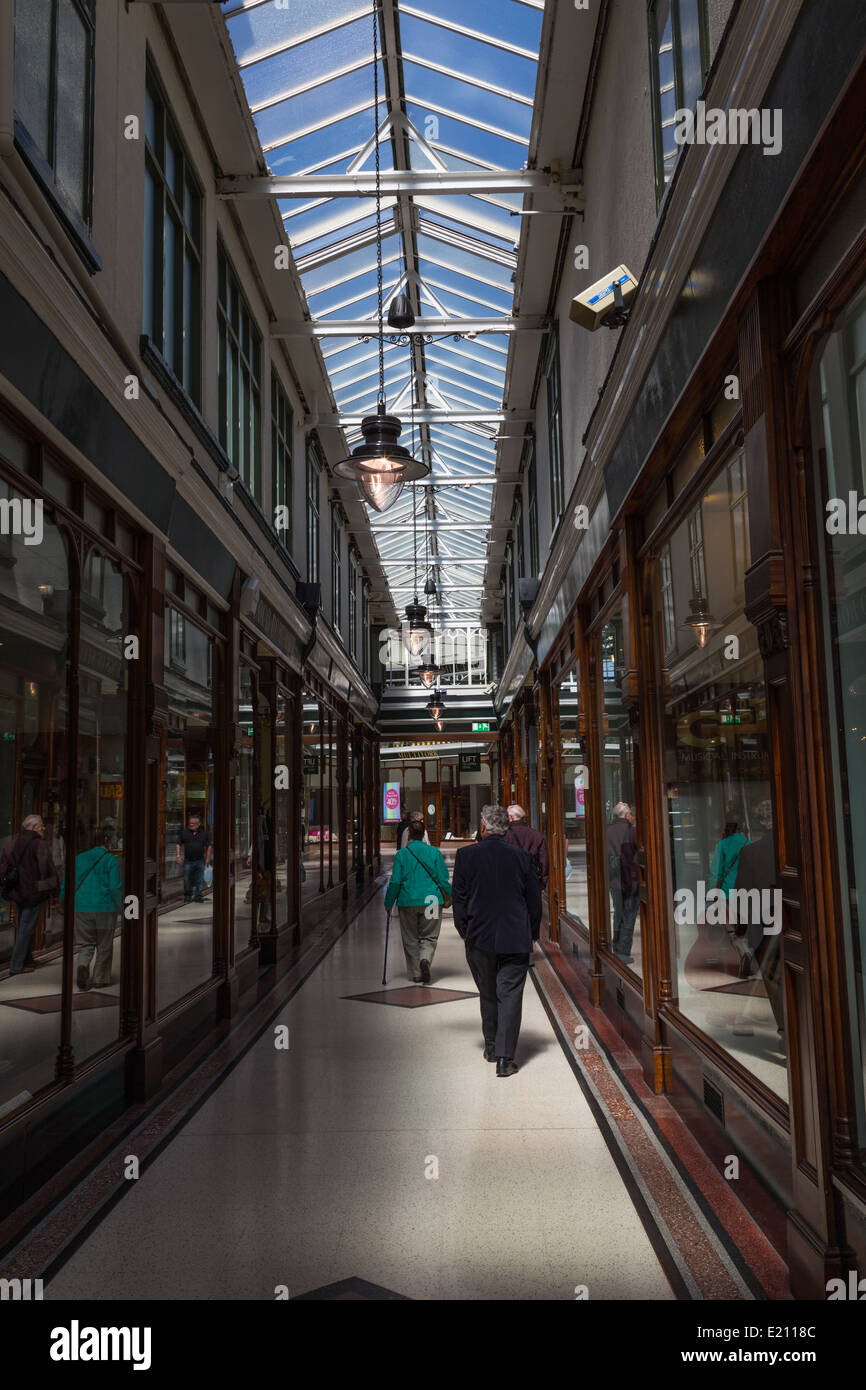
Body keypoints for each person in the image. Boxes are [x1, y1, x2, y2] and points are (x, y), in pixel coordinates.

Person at [452, 804, 542, 1077]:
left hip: (479, 936)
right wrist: (532, 934)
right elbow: (534, 902)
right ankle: (505, 1058)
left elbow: (459, 899)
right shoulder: (522, 858)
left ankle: (491, 1046)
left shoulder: (466, 856)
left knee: (488, 992)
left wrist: (464, 930)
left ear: (483, 828)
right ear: (507, 828)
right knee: (510, 995)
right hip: (515, 937)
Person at [732, 800, 785, 1039]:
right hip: (794, 924)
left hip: (764, 927)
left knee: (774, 980)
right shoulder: (794, 847)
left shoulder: (751, 852)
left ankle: (786, 1031)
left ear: (760, 822)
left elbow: (742, 895)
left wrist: (741, 929)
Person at [384, 820, 451, 983]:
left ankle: (415, 973)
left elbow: (395, 882)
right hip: (432, 900)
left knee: (411, 937)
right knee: (429, 936)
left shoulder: (402, 854)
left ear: (409, 835)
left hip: (408, 900)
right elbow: (443, 879)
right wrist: (451, 897)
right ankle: (425, 959)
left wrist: (388, 902)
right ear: (423, 835)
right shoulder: (434, 852)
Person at [62, 829, 122, 991]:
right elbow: (115, 886)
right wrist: (123, 908)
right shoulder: (110, 859)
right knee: (104, 944)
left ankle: (83, 965)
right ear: (107, 840)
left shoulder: (79, 858)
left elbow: (67, 882)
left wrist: (63, 901)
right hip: (104, 908)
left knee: (85, 943)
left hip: (81, 907)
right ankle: (100, 979)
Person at [0, 813, 59, 976]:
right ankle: (16, 966)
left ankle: (27, 960)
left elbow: (3, 869)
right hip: (34, 892)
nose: (43, 828)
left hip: (17, 893)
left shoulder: (11, 843)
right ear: (33, 827)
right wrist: (54, 889)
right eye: (41, 826)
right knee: (26, 928)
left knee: (25, 926)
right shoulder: (39, 844)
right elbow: (46, 868)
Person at [710, 816, 752, 978]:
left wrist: (713, 890)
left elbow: (717, 872)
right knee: (743, 927)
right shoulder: (748, 843)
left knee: (731, 929)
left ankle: (744, 954)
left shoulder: (722, 845)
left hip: (727, 892)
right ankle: (747, 955)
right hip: (746, 892)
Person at [607, 802, 639, 963]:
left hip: (614, 881)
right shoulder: (631, 831)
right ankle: (623, 951)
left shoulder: (608, 831)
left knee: (618, 913)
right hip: (631, 879)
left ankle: (616, 946)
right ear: (626, 815)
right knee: (629, 915)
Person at [505, 804, 549, 890]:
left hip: (510, 881)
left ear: (510, 817)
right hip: (532, 880)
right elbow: (544, 861)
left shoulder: (504, 835)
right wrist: (542, 883)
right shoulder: (536, 835)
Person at [176, 813, 212, 904]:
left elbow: (209, 846)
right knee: (187, 879)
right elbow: (178, 844)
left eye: (193, 823)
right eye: (190, 823)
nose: (191, 825)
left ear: (199, 824)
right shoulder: (184, 833)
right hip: (188, 861)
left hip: (200, 860)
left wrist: (208, 858)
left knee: (199, 880)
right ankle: (187, 896)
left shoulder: (204, 834)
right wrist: (178, 856)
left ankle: (198, 896)